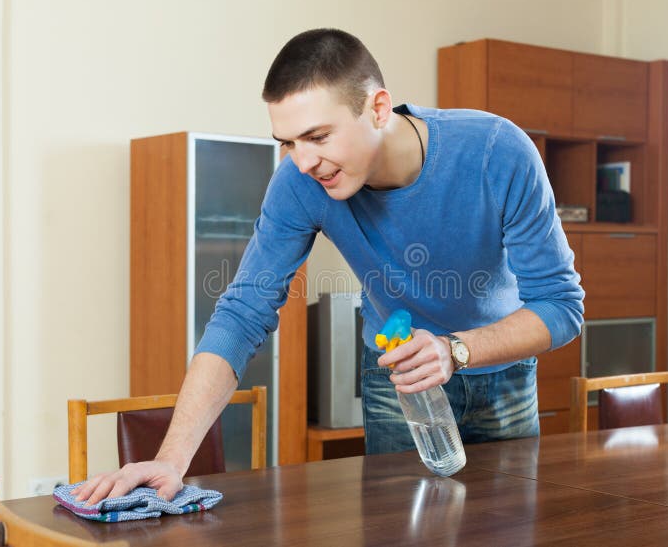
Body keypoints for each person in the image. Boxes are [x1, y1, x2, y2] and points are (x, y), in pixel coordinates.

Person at [74, 28, 583, 503]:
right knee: (400, 528)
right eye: (288, 143)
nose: (302, 161)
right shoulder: (300, 184)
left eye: (317, 137)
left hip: (502, 372)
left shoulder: (497, 151)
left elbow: (560, 307)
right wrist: (171, 461)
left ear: (378, 108)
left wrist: (455, 349)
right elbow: (242, 313)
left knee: (508, 525)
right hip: (397, 379)